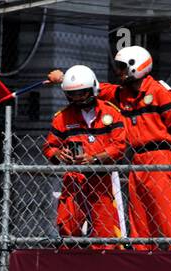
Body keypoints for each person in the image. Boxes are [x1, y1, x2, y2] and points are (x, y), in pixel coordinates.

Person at [48, 47, 171, 250]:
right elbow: (87, 86)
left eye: (122, 67)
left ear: (137, 66)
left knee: (169, 222)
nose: (119, 72)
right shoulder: (120, 94)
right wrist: (63, 77)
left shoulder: (159, 91)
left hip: (160, 158)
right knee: (140, 229)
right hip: (136, 162)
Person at [44, 65, 129, 247]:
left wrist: (95, 159)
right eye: (72, 94)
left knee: (105, 234)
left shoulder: (110, 112)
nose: (77, 98)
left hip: (103, 178)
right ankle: (70, 269)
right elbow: (50, 146)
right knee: (67, 227)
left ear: (92, 89)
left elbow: (119, 146)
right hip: (74, 179)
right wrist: (60, 155)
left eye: (81, 93)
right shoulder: (62, 118)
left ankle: (105, 269)